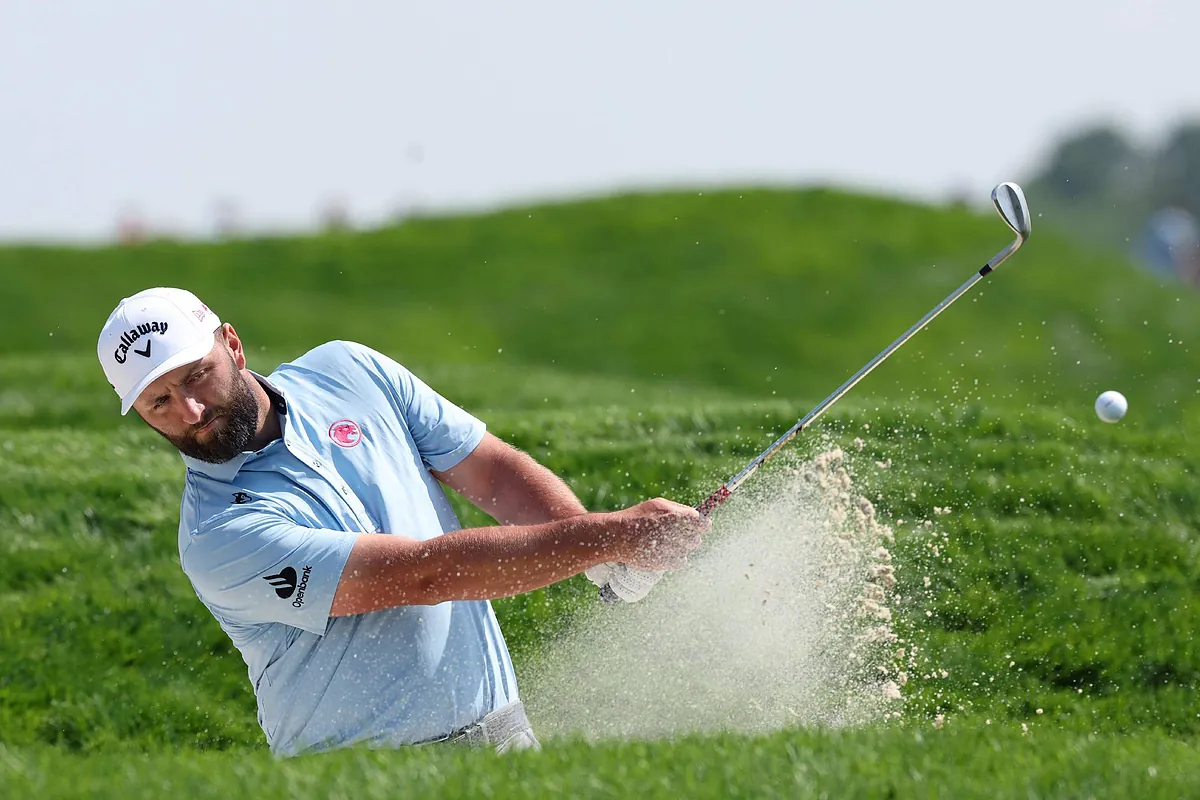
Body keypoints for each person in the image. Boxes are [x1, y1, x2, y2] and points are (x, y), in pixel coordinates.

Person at [96, 287, 707, 758]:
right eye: (160, 403)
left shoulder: (349, 372)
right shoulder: (217, 536)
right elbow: (425, 575)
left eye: (195, 376)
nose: (191, 410)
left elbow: (492, 473)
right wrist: (609, 535)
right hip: (364, 775)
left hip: (505, 743)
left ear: (232, 345)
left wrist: (600, 558)